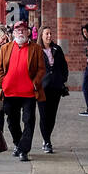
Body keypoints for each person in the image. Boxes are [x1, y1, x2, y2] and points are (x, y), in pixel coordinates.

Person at [0, 20, 45, 161]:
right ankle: (18, 143)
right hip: (10, 92)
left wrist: (34, 83)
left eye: (23, 30)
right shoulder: (5, 48)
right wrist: (2, 83)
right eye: (18, 30)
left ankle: (24, 150)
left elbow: (41, 69)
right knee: (12, 121)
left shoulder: (36, 49)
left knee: (29, 120)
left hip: (28, 92)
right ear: (13, 33)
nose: (21, 32)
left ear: (28, 32)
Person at [37, 25, 69, 153]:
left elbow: (64, 66)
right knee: (44, 115)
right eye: (47, 34)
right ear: (41, 35)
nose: (49, 36)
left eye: (50, 33)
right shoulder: (36, 50)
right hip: (42, 88)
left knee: (52, 116)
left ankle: (47, 137)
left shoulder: (57, 49)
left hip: (55, 87)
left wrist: (62, 79)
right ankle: (46, 141)